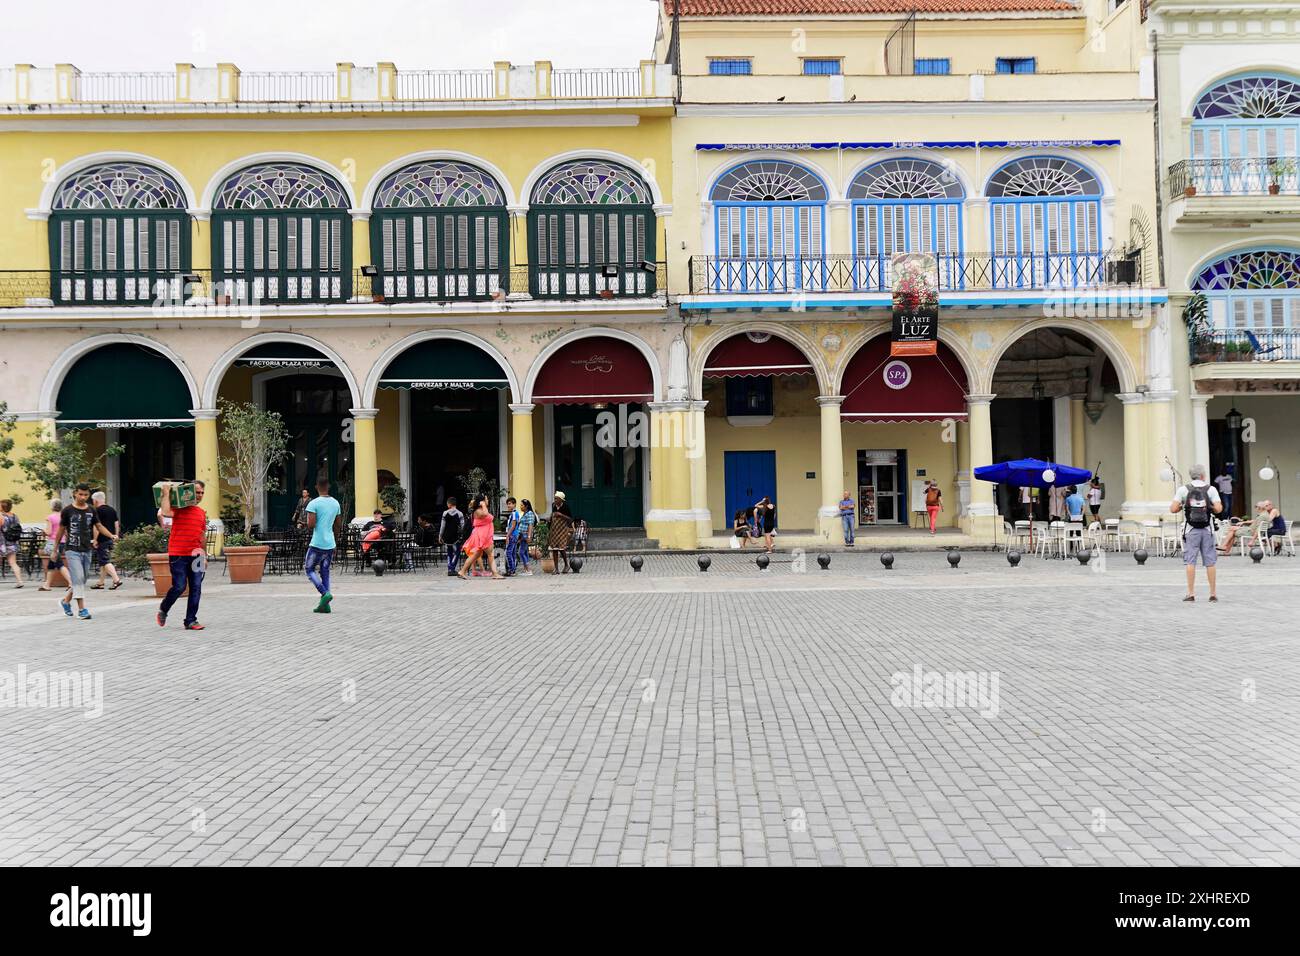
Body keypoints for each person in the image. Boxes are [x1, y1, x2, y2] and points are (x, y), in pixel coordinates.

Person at [54, 483, 112, 620]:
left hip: (87, 549)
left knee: (81, 579)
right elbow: (61, 530)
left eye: (86, 495)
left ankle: (65, 601)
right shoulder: (67, 510)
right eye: (80, 494)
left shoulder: (91, 510)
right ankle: (82, 610)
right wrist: (55, 549)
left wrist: (111, 535)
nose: (83, 497)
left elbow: (98, 526)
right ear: (75, 493)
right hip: (72, 549)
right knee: (78, 578)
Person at [157, 479, 208, 630]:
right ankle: (164, 609)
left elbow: (202, 535)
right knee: (179, 586)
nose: (199, 495)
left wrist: (204, 555)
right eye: (197, 492)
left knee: (196, 587)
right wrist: (166, 493)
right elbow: (165, 513)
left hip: (196, 555)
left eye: (202, 493)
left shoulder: (200, 513)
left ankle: (190, 620)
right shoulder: (178, 507)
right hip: (178, 554)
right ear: (189, 492)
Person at [1171, 464, 1223, 603]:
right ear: (1203, 475)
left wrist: (1184, 505)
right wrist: (1209, 506)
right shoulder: (1211, 489)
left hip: (1191, 529)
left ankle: (1191, 593)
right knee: (1210, 562)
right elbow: (1219, 508)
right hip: (1207, 529)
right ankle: (1212, 594)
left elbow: (1173, 508)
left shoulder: (1183, 489)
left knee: (1190, 561)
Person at [304, 477, 342, 613]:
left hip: (317, 543)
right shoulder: (336, 503)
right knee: (325, 572)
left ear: (316, 487)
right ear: (329, 486)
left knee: (309, 570)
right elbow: (338, 525)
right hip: (330, 543)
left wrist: (306, 523)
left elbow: (311, 525)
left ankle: (324, 592)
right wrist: (335, 541)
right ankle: (325, 605)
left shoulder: (313, 503)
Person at [458, 494, 502, 580]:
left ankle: (462, 571)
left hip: (484, 535)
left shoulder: (481, 509)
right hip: (482, 535)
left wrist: (483, 505)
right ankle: (495, 574)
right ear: (481, 501)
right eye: (486, 499)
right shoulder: (478, 510)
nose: (487, 501)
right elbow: (485, 514)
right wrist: (483, 504)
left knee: (475, 555)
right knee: (490, 554)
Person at [90, 491, 122, 590]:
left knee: (105, 561)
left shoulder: (97, 511)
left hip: (102, 539)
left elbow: (97, 527)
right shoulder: (112, 510)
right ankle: (101, 582)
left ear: (95, 500)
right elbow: (116, 523)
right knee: (102, 561)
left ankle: (116, 580)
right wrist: (116, 535)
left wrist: (95, 539)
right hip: (111, 538)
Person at [40, 499, 70, 591]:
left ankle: (71, 583)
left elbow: (49, 532)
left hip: (53, 543)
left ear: (52, 506)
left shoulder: (50, 517)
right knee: (51, 565)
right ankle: (47, 585)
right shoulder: (63, 516)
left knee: (59, 564)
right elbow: (66, 532)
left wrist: (43, 532)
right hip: (62, 542)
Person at [547, 491, 574, 573]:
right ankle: (556, 568)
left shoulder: (565, 507)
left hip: (563, 529)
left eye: (556, 499)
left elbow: (570, 519)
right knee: (554, 549)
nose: (555, 500)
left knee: (561, 548)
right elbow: (553, 515)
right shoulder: (553, 506)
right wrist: (549, 519)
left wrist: (561, 515)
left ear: (561, 500)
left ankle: (566, 565)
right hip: (554, 529)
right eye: (554, 498)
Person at [1, 499, 25, 587]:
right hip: (12, 542)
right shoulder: (14, 516)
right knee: (13, 562)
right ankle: (20, 581)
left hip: (2, 543)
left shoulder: (1, 516)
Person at [439, 498, 465, 577]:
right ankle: (452, 568)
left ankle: (450, 568)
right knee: (457, 551)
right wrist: (463, 536)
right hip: (456, 536)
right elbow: (462, 525)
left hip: (447, 536)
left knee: (449, 552)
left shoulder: (445, 513)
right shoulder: (460, 513)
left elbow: (442, 526)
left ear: (449, 504)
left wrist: (440, 536)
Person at [513, 499, 537, 576]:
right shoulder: (525, 513)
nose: (520, 507)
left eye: (522, 505)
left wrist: (529, 536)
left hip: (525, 535)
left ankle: (529, 570)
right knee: (525, 552)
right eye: (520, 505)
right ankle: (526, 570)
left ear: (526, 506)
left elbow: (530, 525)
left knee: (521, 552)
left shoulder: (529, 513)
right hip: (522, 535)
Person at [503, 497, 522, 575]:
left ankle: (511, 570)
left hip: (512, 535)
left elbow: (513, 526)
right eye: (507, 504)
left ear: (514, 504)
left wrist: (508, 535)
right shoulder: (514, 513)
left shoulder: (514, 513)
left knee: (508, 553)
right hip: (514, 535)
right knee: (513, 553)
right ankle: (513, 570)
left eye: (510, 504)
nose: (508, 505)